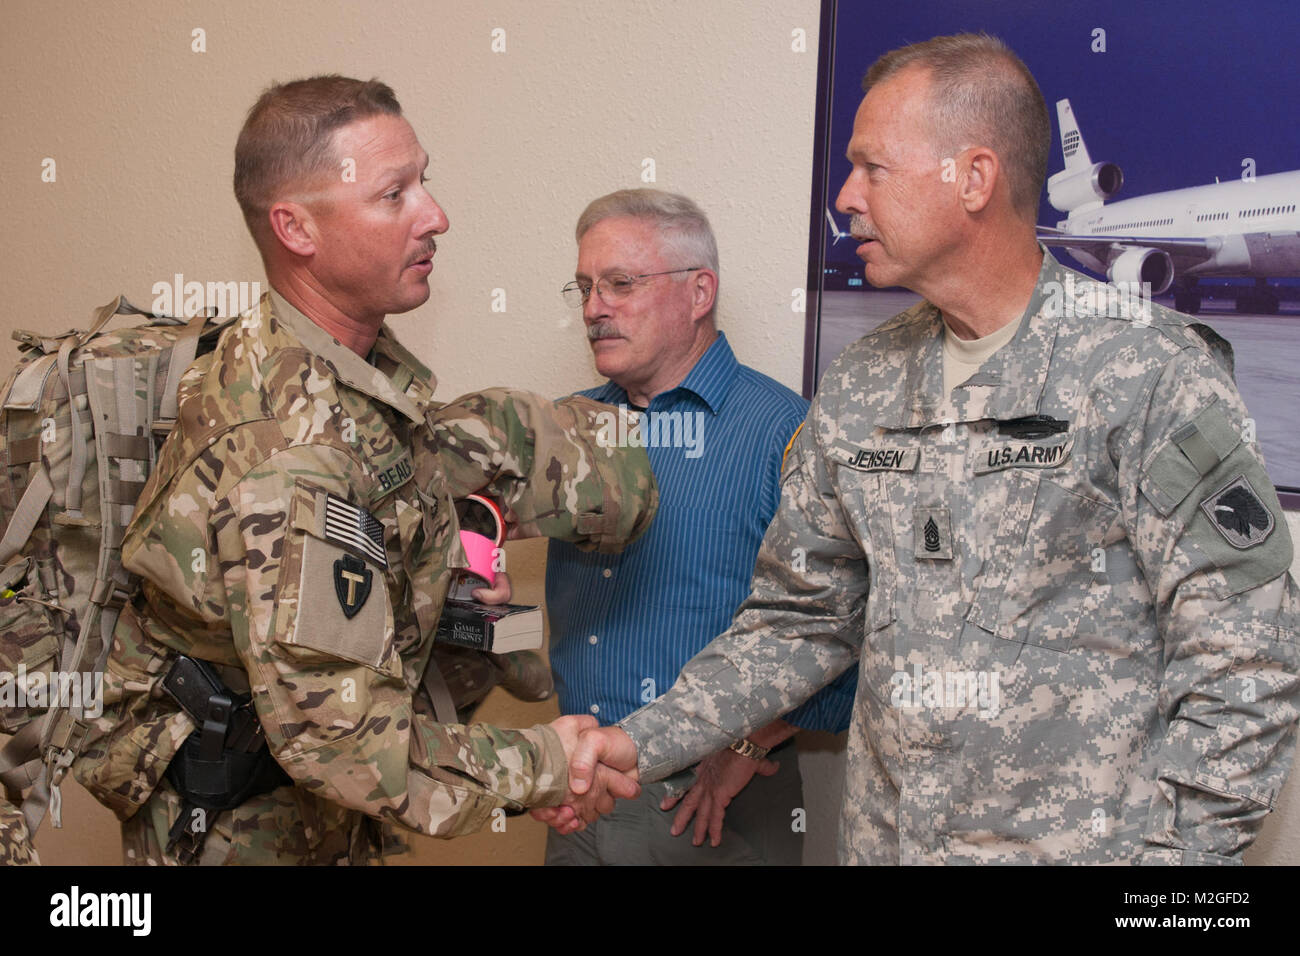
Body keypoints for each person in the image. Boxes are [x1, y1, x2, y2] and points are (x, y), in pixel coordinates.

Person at [546, 33, 1300, 864]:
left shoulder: (1147, 371)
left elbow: (1247, 666)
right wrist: (641, 741)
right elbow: (800, 621)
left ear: (972, 178)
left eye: (873, 168)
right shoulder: (865, 383)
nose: (847, 196)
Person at [74, 75, 649, 865]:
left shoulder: (355, 389)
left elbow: (374, 615)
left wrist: (482, 614)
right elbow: (345, 748)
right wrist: (546, 766)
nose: (435, 215)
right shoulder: (291, 454)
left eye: (425, 180)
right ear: (296, 229)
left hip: (320, 820)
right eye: (394, 194)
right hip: (253, 834)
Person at [544, 189, 855, 865]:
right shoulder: (565, 430)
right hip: (576, 794)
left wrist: (748, 740)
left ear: (699, 291)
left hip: (708, 804)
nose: (595, 309)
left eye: (621, 284)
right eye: (585, 287)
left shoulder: (786, 431)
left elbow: (847, 631)